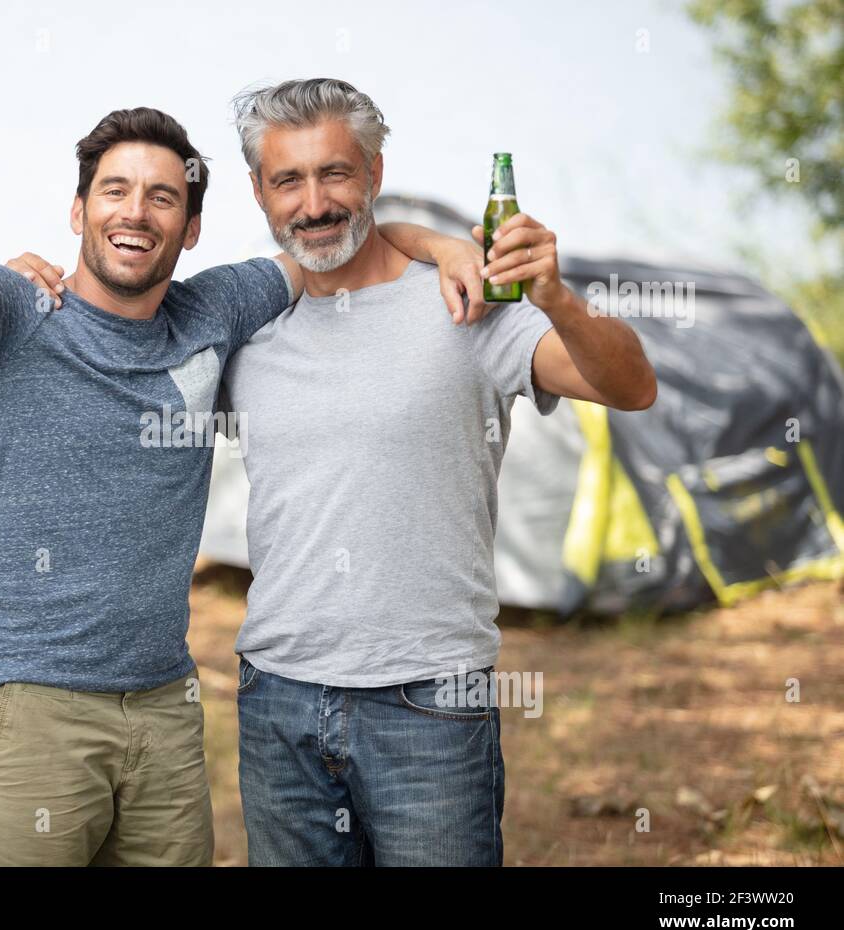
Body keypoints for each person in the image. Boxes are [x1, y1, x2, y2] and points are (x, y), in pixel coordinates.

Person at [0, 69, 479, 865]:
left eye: (163, 197)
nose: (135, 211)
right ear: (78, 210)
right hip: (28, 708)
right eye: (115, 190)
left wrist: (440, 242)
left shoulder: (216, 310)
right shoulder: (11, 314)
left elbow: (331, 231)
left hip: (165, 709)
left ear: (191, 228)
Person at [220, 78, 657, 866]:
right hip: (277, 700)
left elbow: (632, 385)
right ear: (259, 191)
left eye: (336, 174)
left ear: (376, 174)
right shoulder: (248, 326)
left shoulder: (470, 305)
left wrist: (556, 297)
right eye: (288, 179)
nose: (314, 203)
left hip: (430, 701)